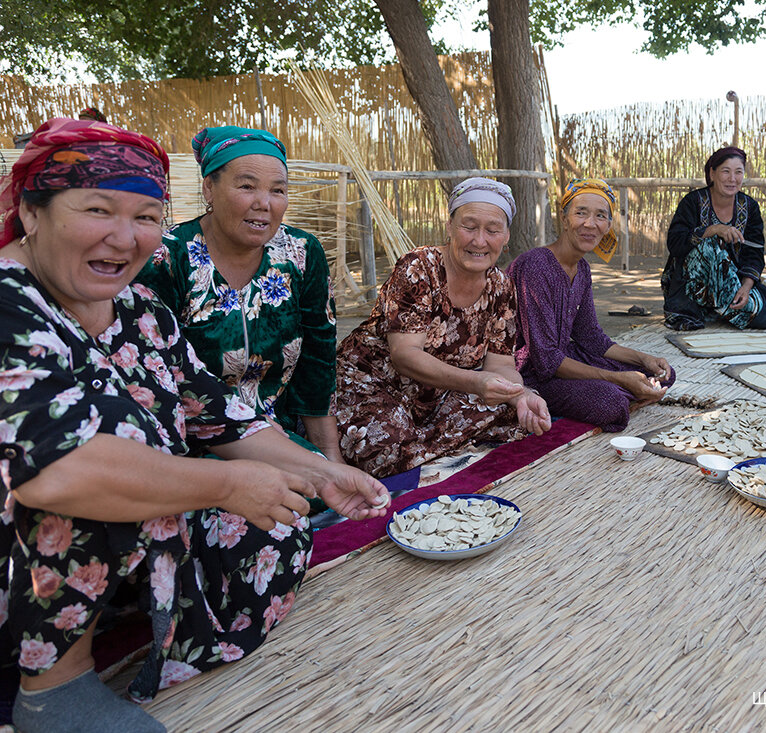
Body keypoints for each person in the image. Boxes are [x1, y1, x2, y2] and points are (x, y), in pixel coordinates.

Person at [0, 119, 390, 733]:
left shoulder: (137, 307)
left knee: (280, 522)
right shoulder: (10, 305)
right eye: (98, 210)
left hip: (151, 513)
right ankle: (55, 686)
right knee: (85, 487)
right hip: (33, 539)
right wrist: (229, 486)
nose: (124, 238)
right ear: (31, 212)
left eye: (146, 216)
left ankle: (156, 616)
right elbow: (53, 472)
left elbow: (218, 413)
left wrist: (323, 470)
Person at [137, 126, 343, 464]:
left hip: (280, 432)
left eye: (278, 190)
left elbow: (317, 361)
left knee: (325, 492)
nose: (263, 203)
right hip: (190, 442)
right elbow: (156, 376)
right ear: (209, 188)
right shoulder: (167, 257)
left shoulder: (301, 253)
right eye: (246, 186)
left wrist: (330, 454)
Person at [334, 177, 551, 476]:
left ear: (506, 236)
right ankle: (423, 450)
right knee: (386, 446)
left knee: (516, 415)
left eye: (492, 230)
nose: (479, 241)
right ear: (449, 227)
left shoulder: (502, 286)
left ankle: (423, 450)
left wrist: (519, 393)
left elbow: (500, 363)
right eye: (469, 226)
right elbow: (404, 355)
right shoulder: (419, 268)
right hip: (374, 382)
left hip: (440, 393)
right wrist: (476, 383)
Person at [507, 178, 674, 432]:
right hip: (530, 374)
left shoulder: (582, 269)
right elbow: (545, 359)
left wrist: (645, 358)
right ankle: (625, 395)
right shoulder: (535, 266)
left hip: (563, 360)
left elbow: (591, 337)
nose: (590, 224)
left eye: (600, 216)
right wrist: (620, 379)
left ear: (608, 225)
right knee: (611, 402)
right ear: (564, 219)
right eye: (580, 213)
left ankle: (631, 390)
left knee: (663, 374)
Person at [660, 146, 766, 331]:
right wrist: (713, 230)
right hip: (690, 287)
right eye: (726, 171)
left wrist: (746, 288)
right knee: (709, 247)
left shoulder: (749, 207)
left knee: (762, 313)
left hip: (733, 284)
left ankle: (721, 308)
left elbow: (754, 253)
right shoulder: (693, 202)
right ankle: (704, 309)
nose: (732, 179)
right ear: (712, 173)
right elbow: (675, 244)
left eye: (738, 172)